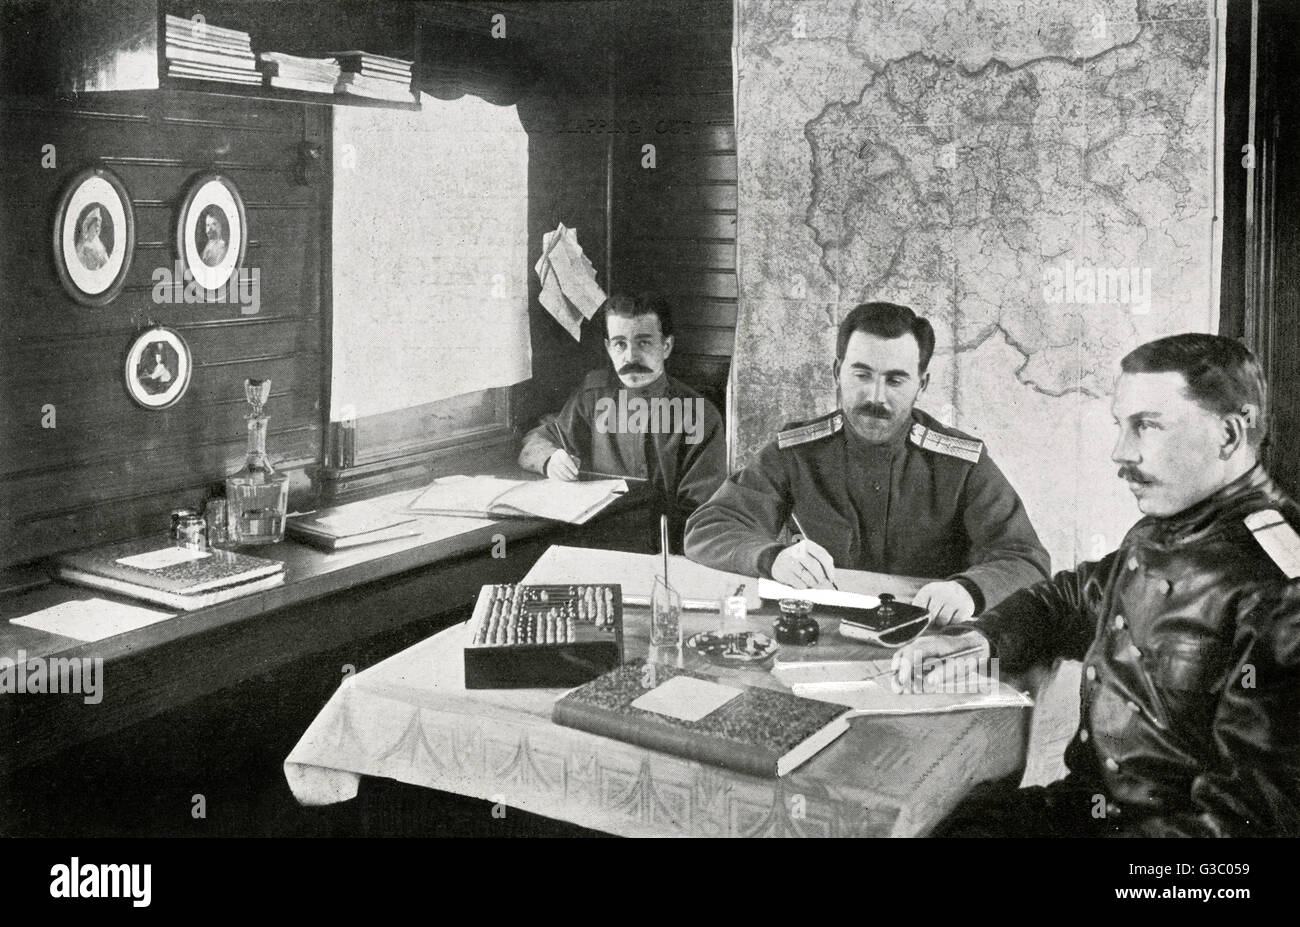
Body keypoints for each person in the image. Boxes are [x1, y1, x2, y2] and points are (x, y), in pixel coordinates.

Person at [900, 333, 1300, 837]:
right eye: (1120, 426)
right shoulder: (1166, 527)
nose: (1120, 452)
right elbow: (1069, 600)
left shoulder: (1282, 589)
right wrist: (978, 640)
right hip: (1089, 810)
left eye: (1147, 427)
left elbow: (1249, 827)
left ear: (1228, 434)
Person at [684, 301, 1050, 621]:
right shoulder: (796, 452)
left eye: (895, 380)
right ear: (837, 373)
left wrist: (969, 590)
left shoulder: (962, 463)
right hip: (823, 634)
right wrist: (771, 557)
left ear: (922, 383)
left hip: (925, 636)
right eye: (861, 375)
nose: (876, 396)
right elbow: (708, 529)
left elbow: (1026, 559)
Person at [518, 292, 727, 548]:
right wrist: (550, 459)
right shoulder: (592, 396)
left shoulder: (699, 415)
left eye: (644, 343)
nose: (630, 358)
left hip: (666, 548)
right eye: (620, 344)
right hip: (595, 540)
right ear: (608, 347)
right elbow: (538, 438)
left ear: (666, 346)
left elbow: (701, 512)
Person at [76, 207, 108, 271]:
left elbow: (106, 263)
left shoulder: (99, 245)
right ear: (89, 226)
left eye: (99, 226)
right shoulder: (82, 246)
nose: (97, 229)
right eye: (95, 226)